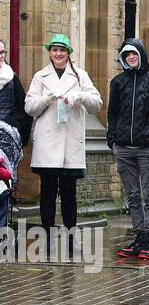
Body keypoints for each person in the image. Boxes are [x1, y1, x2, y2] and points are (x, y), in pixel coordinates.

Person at [25, 34, 102, 233]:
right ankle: (48, 235)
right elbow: (30, 108)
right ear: (49, 53)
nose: (58, 54)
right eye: (55, 50)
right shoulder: (40, 77)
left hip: (70, 142)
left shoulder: (80, 76)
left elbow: (97, 104)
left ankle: (70, 236)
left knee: (69, 194)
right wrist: (46, 99)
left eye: (62, 50)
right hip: (48, 143)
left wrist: (80, 96)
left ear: (68, 53)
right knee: (47, 194)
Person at [106, 39, 149, 261]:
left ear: (141, 55)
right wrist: (112, 140)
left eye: (134, 54)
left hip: (146, 147)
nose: (131, 58)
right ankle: (139, 238)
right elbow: (112, 114)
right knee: (133, 196)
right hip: (124, 148)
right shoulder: (118, 82)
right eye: (126, 55)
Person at [0, 38, 32, 151]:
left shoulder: (12, 77)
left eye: (2, 52)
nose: (1, 56)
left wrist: (13, 125)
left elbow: (24, 110)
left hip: (7, 136)